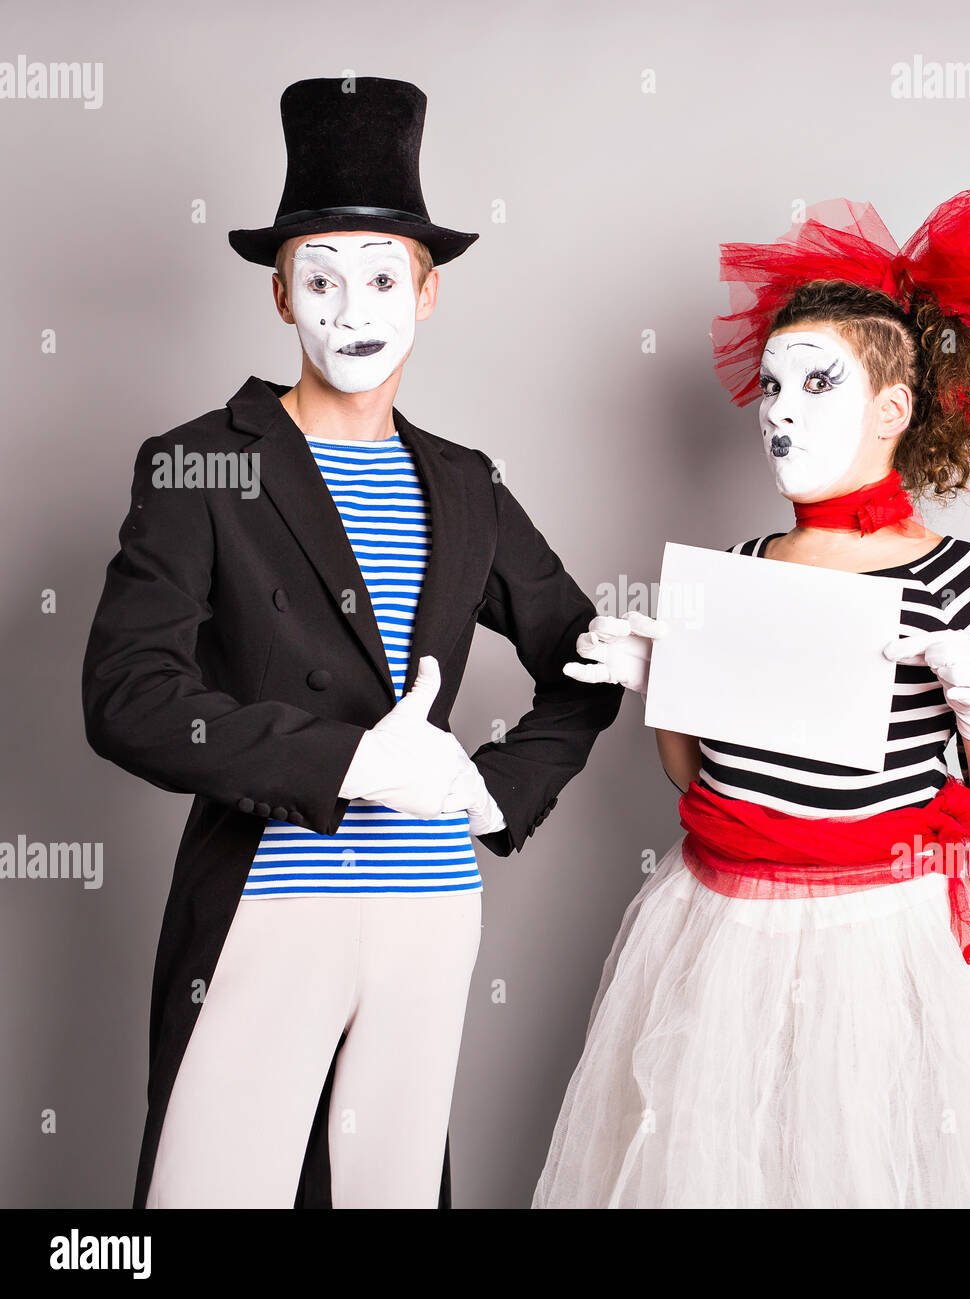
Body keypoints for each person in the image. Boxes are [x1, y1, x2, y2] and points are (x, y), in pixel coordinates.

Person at [534, 188, 970, 1209]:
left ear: (892, 410)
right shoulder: (742, 564)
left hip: (877, 947)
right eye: (772, 387)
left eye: (817, 383)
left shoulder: (964, 578)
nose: (780, 409)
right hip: (719, 927)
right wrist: (668, 690)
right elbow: (699, 777)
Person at [81, 76, 621, 1209]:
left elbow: (582, 656)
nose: (350, 308)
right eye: (318, 279)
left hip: (429, 915)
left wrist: (497, 791)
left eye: (381, 278)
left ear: (429, 293)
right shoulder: (201, 461)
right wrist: (347, 761)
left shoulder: (464, 484)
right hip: (269, 902)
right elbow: (128, 695)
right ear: (280, 295)